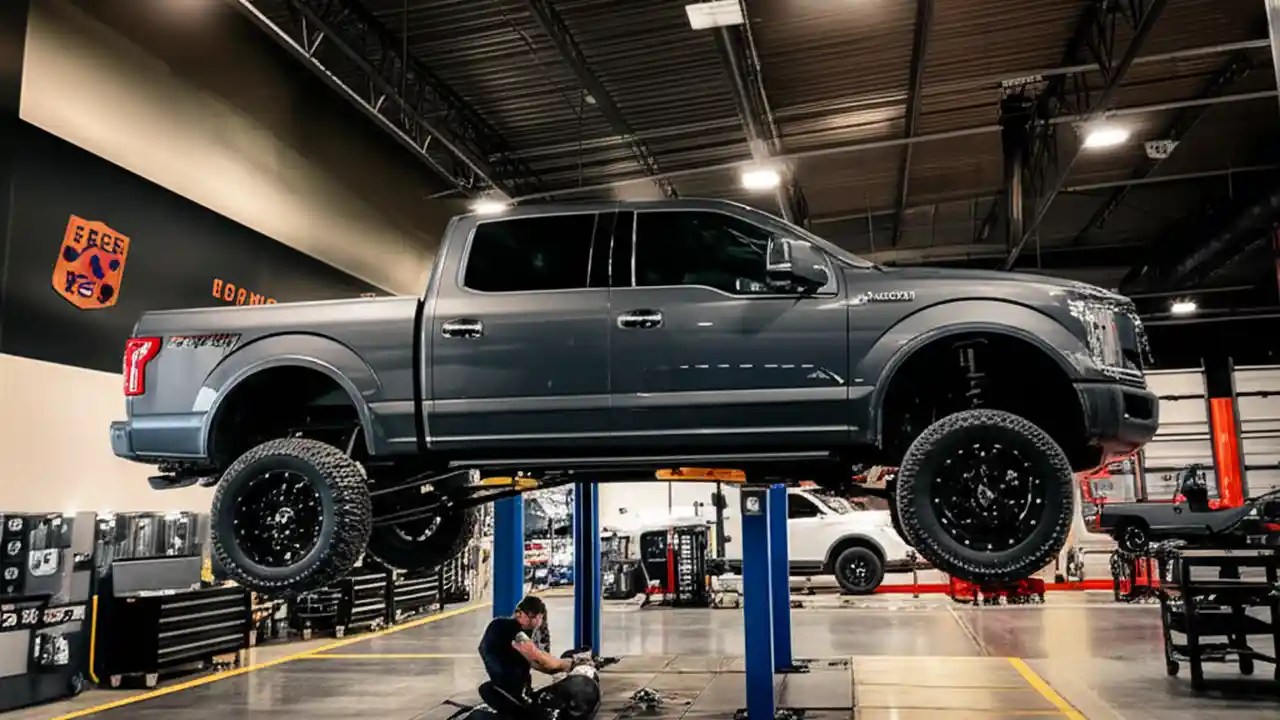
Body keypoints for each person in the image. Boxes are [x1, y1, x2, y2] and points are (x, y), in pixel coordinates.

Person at [477, 595, 572, 718]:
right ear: (519, 614)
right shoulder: (511, 629)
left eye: (537, 617)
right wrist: (570, 664)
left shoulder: (518, 630)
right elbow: (539, 659)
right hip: (507, 690)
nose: (534, 621)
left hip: (506, 688)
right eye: (531, 617)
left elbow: (537, 659)